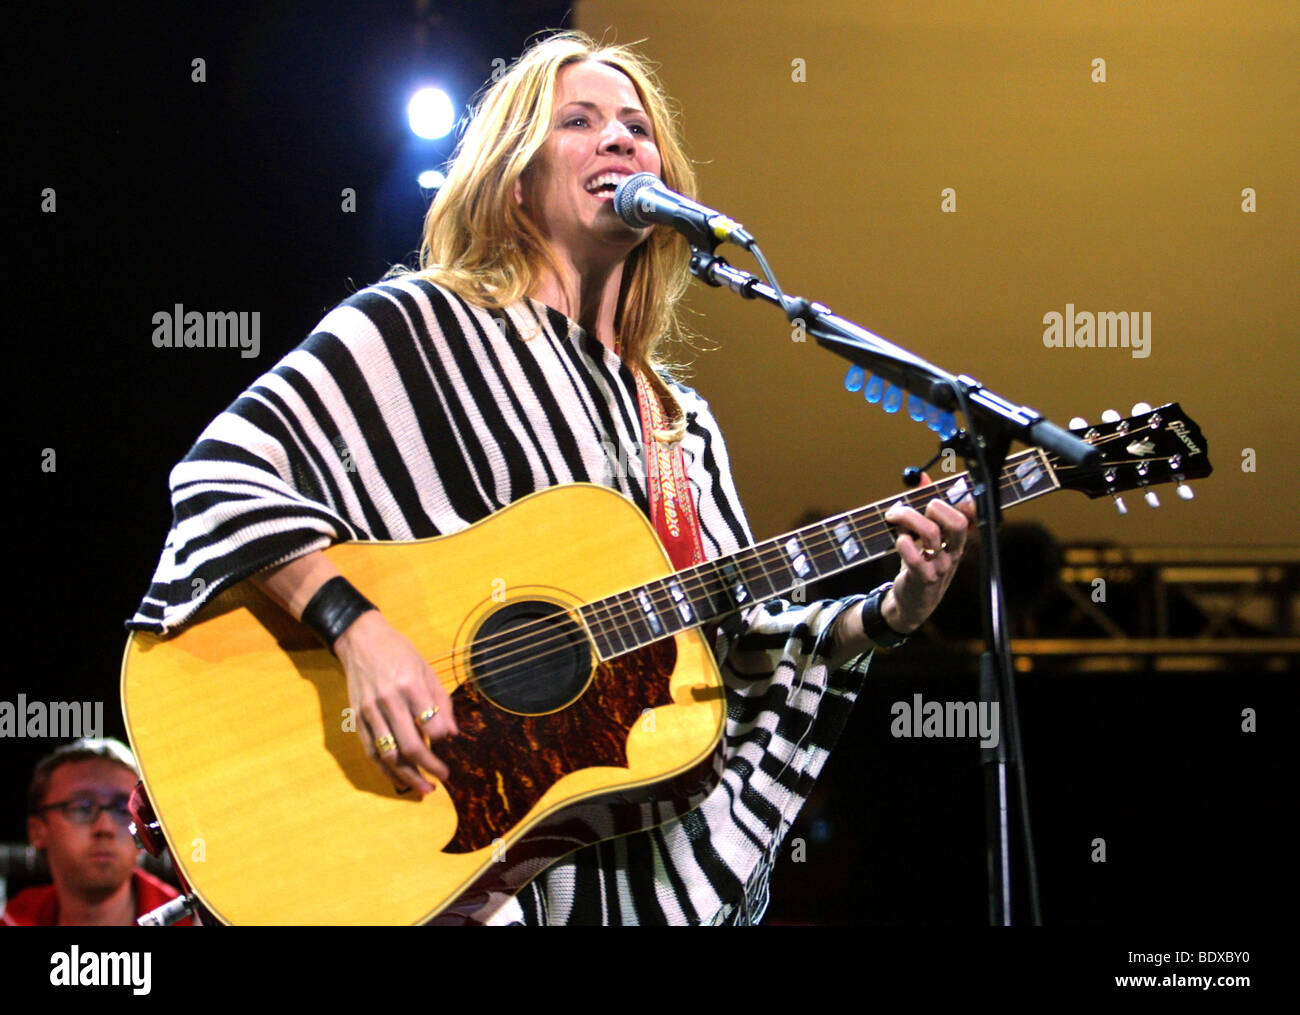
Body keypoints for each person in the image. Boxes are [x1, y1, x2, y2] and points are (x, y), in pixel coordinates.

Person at [128, 31, 972, 924]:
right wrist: (356, 626)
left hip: (600, 885)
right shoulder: (416, 328)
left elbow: (729, 649)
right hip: (430, 834)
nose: (619, 139)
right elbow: (226, 469)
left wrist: (889, 611)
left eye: (637, 129)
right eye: (580, 120)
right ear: (515, 177)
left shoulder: (675, 424)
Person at [3, 738, 194, 926]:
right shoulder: (11, 919)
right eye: (81, 808)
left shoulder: (196, 921)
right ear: (37, 831)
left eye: (123, 809)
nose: (105, 827)